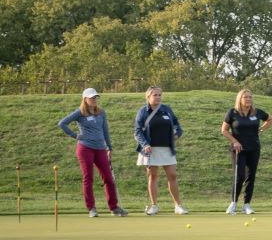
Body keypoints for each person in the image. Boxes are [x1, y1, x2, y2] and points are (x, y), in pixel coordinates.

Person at [57, 87, 128, 217]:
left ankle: (114, 207)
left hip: (101, 148)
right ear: (85, 99)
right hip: (85, 148)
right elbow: (62, 123)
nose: (94, 99)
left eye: (95, 97)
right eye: (91, 98)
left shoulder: (101, 112)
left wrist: (109, 147)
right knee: (88, 178)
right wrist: (75, 135)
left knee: (108, 178)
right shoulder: (80, 112)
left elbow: (105, 130)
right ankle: (91, 208)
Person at [134, 86, 188, 216]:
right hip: (150, 149)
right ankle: (154, 206)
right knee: (153, 176)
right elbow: (138, 131)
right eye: (155, 95)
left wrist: (177, 134)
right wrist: (145, 144)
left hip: (166, 148)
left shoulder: (167, 109)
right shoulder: (143, 111)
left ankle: (178, 206)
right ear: (148, 97)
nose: (158, 97)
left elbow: (177, 126)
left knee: (172, 175)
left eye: (159, 95)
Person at [221, 88, 272, 215]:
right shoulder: (232, 113)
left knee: (251, 176)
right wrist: (235, 141)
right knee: (239, 176)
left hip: (254, 148)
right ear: (240, 99)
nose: (248, 99)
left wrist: (261, 129)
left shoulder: (256, 112)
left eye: (250, 97)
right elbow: (224, 130)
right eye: (246, 97)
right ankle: (233, 203)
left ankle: (246, 205)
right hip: (238, 149)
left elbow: (270, 120)